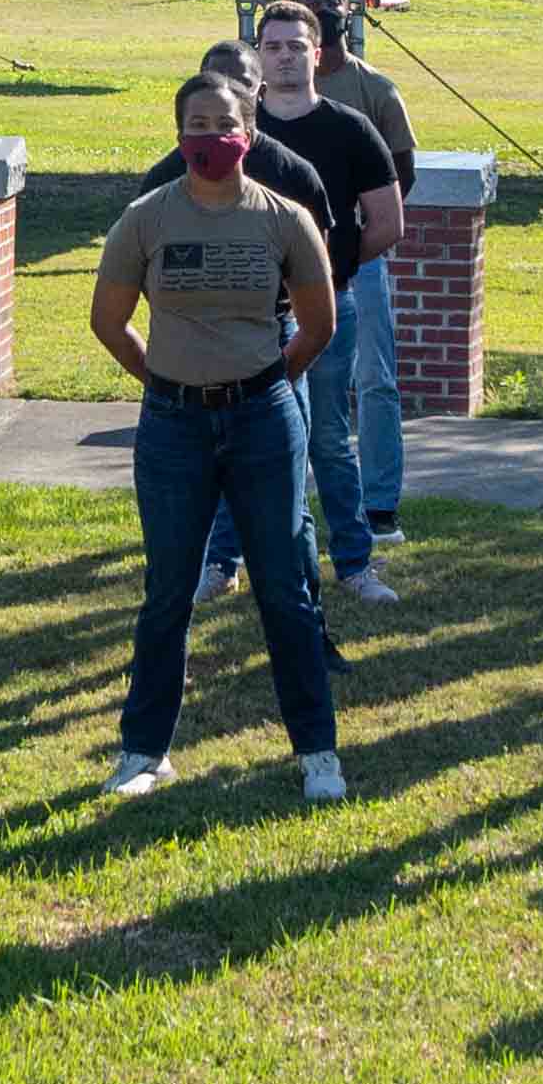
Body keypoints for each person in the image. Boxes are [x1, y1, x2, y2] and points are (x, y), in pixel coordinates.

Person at [87, 74, 349, 804]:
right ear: (177, 135)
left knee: (285, 591)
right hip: (172, 424)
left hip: (264, 418)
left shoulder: (285, 217)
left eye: (224, 123)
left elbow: (318, 324)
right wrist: (163, 379)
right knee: (167, 590)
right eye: (195, 123)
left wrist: (262, 380)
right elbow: (108, 321)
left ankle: (316, 752)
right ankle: (143, 752)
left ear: (250, 130)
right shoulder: (145, 218)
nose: (210, 136)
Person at [192, 3, 402, 607]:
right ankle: (222, 560)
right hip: (246, 316)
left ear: (317, 53)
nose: (284, 55)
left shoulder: (349, 128)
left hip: (327, 308)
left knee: (329, 440)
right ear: (258, 57)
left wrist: (327, 275)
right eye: (273, 45)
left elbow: (387, 221)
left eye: (295, 45)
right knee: (239, 439)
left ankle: (356, 564)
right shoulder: (238, 136)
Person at [300, 0, 417, 543]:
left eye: (332, 3)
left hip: (358, 261)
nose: (323, 11)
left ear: (351, 12)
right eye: (313, 3)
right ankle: (283, 503)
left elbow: (401, 173)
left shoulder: (375, 89)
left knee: (375, 379)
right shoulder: (276, 90)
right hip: (289, 266)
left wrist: (353, 248)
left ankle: (380, 504)